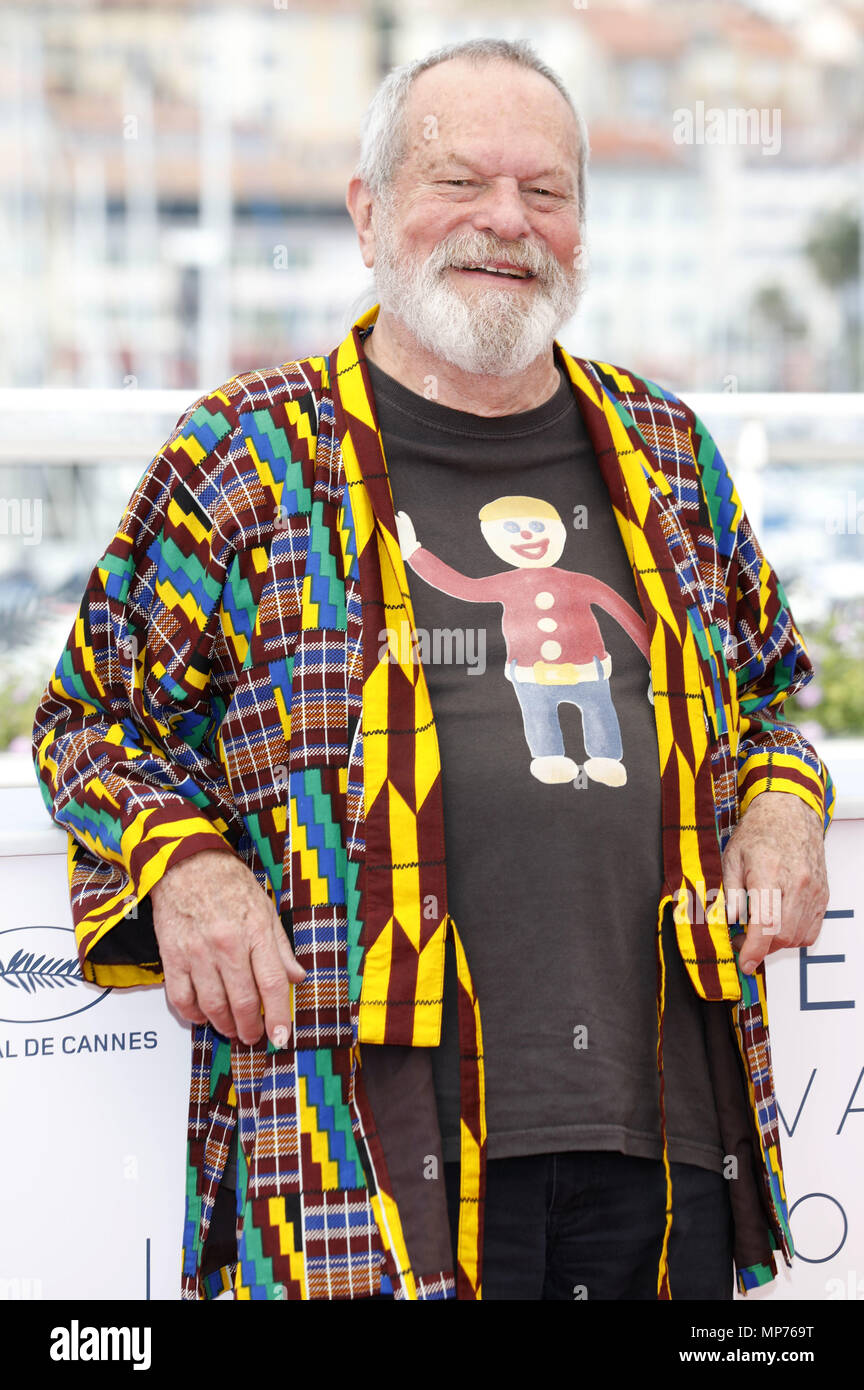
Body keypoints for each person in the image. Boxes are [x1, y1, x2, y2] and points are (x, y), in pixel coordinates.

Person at [32, 38, 833, 1301]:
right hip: (352, 1145)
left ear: (581, 223)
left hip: (665, 1134)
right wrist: (185, 867)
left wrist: (787, 801)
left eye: (547, 192)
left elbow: (773, 696)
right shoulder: (243, 454)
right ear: (368, 210)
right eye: (459, 182)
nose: (507, 222)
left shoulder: (668, 447)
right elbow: (88, 724)